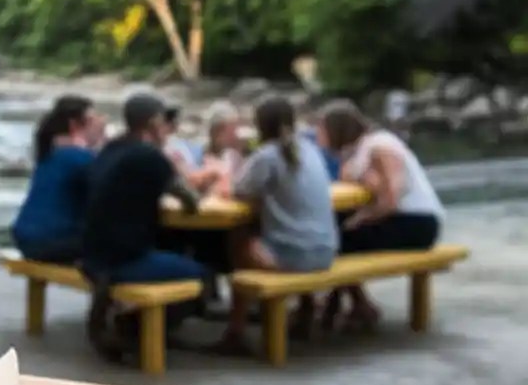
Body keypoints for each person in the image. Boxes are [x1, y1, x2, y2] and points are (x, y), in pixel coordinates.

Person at [81, 93, 204, 354]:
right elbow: (191, 201)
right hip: (124, 260)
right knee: (204, 277)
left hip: (93, 256)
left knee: (170, 249)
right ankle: (138, 328)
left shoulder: (110, 149)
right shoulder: (150, 156)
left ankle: (133, 324)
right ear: (154, 123)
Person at [220, 98, 338, 348]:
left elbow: (238, 190)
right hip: (327, 251)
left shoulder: (267, 156)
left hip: (292, 257)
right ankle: (305, 309)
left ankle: (236, 331)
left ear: (260, 126)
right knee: (285, 233)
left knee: (239, 240)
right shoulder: (310, 149)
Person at [319, 100, 444, 329]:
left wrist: (359, 219)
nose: (318, 136)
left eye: (321, 130)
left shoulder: (381, 145)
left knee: (334, 239)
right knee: (333, 232)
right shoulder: (358, 151)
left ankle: (347, 305)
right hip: (400, 219)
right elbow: (351, 181)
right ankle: (354, 305)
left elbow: (391, 200)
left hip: (417, 221)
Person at [11, 96, 105, 263]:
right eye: (94, 120)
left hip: (25, 239)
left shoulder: (51, 151)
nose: (100, 123)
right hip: (53, 242)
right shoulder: (78, 156)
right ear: (75, 125)